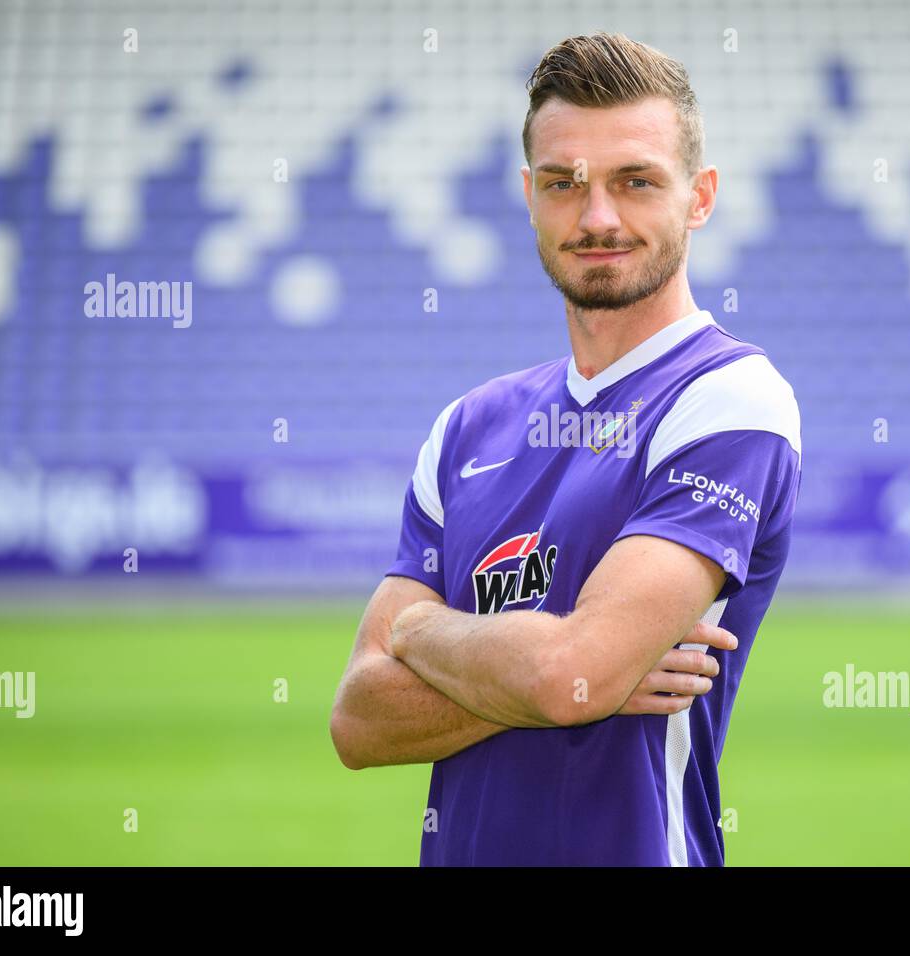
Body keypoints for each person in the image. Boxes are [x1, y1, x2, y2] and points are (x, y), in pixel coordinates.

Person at [331, 31, 801, 866]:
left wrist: (423, 634)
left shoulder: (729, 401)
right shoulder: (467, 428)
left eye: (636, 181)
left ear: (700, 196)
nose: (597, 218)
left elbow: (564, 675)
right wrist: (588, 680)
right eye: (563, 184)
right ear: (529, 196)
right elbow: (358, 721)